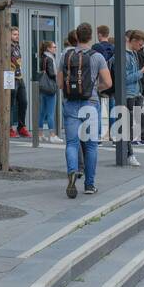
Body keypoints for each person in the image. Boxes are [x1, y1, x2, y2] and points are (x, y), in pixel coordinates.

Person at [57, 22, 111, 198]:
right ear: (91, 37)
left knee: (72, 143)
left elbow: (59, 84)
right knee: (91, 145)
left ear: (76, 36)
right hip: (90, 104)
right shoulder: (97, 57)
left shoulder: (65, 54)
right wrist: (96, 88)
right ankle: (89, 184)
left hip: (70, 103)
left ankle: (72, 172)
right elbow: (108, 83)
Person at [126, 30, 144, 147]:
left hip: (136, 92)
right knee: (131, 121)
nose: (141, 47)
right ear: (133, 41)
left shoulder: (134, 54)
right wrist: (141, 72)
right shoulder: (125, 56)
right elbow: (125, 79)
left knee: (140, 119)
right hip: (129, 94)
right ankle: (130, 146)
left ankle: (135, 139)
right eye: (140, 45)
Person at [91, 26, 115, 143]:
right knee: (113, 109)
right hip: (112, 83)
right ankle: (112, 135)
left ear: (100, 34)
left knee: (98, 110)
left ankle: (98, 137)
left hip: (99, 82)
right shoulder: (114, 48)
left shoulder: (96, 48)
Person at [35, 39, 60, 143]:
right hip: (50, 88)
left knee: (42, 112)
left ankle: (40, 134)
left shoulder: (43, 58)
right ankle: (52, 135)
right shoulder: (50, 59)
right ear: (48, 48)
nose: (55, 48)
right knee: (50, 113)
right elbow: (51, 73)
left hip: (43, 88)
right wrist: (58, 76)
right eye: (54, 47)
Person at [8, 26, 30, 139]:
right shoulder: (7, 47)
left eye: (18, 34)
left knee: (24, 102)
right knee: (10, 104)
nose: (17, 36)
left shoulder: (17, 46)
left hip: (19, 76)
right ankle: (9, 128)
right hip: (10, 76)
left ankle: (21, 127)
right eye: (14, 34)